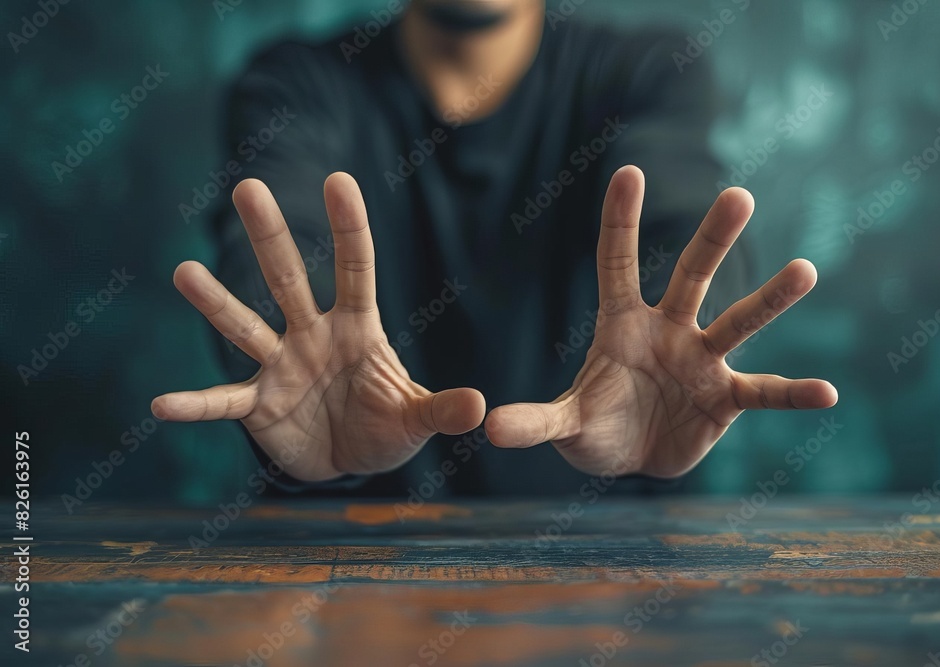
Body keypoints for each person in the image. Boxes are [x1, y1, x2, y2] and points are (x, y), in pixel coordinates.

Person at [151, 0, 837, 497]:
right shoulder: (296, 80)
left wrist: (683, 321)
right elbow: (277, 235)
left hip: (601, 580)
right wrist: (292, 346)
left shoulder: (647, 71)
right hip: (346, 576)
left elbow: (675, 210)